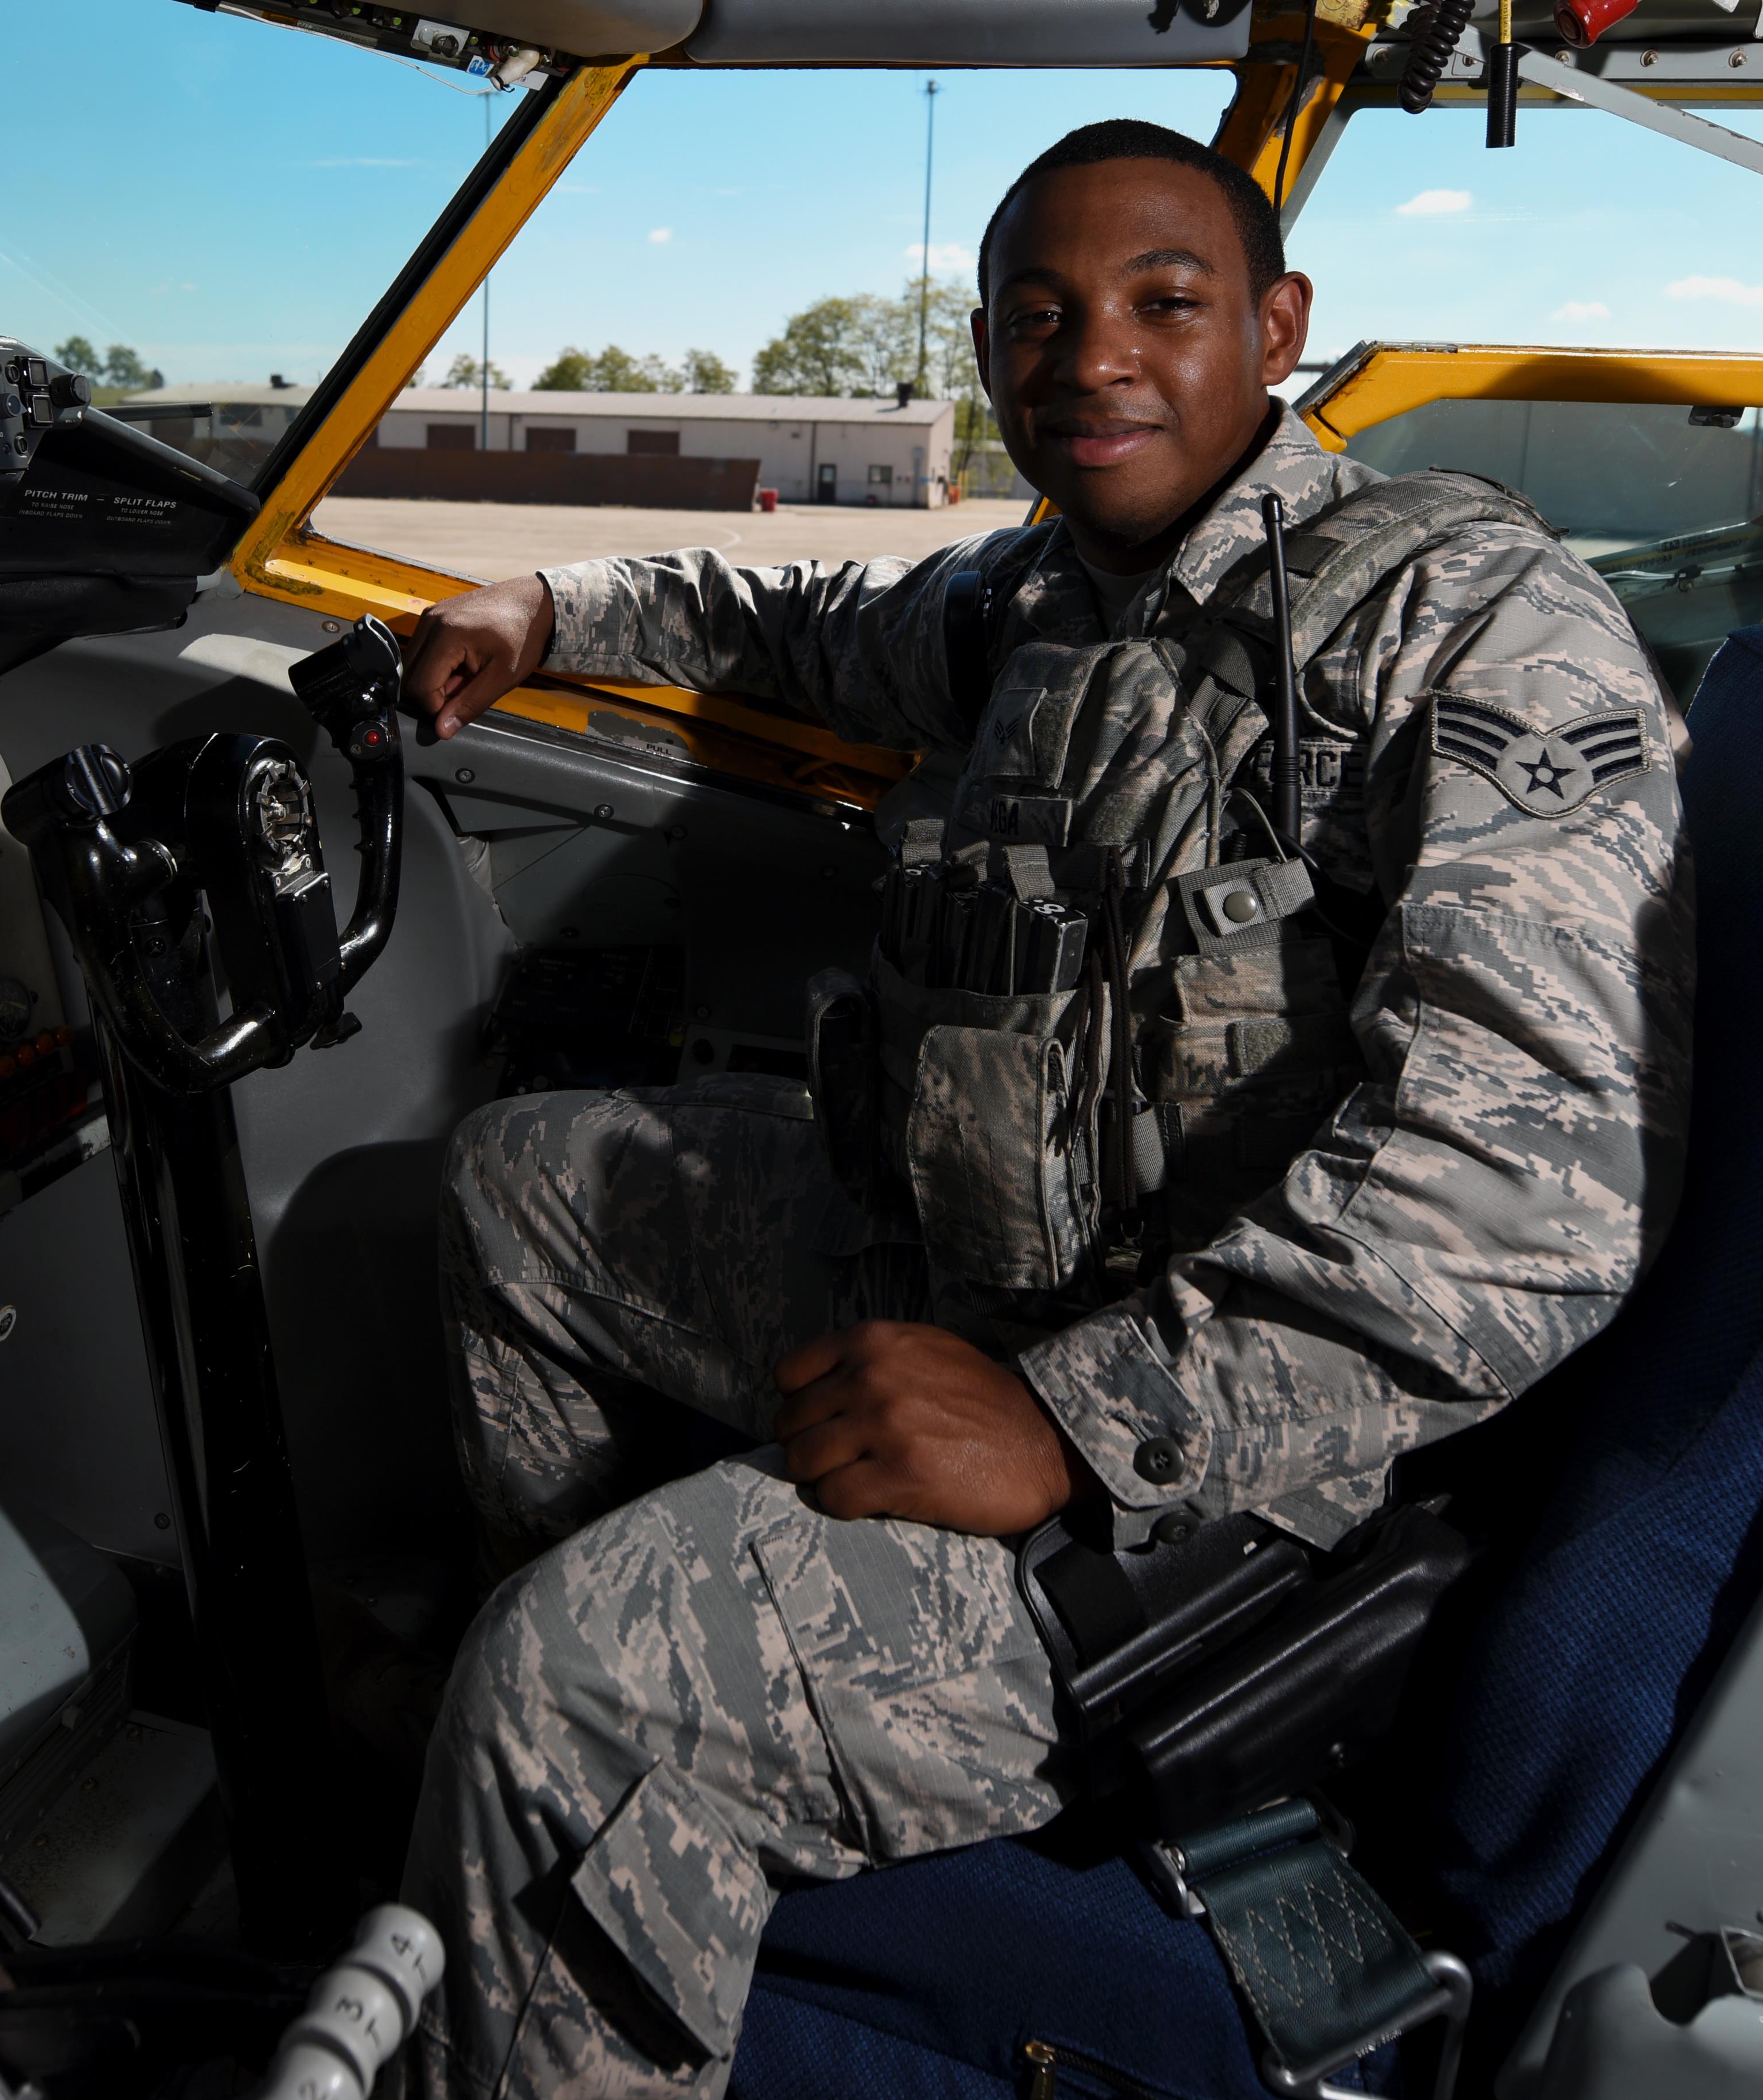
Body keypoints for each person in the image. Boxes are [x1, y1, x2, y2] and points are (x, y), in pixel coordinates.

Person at [395, 118, 1693, 2099]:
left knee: (561, 1675)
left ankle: (591, 1751)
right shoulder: (1046, 604)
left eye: (1162, 305)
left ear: (1277, 330)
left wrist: (1074, 1420)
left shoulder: (1457, 617)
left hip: (1256, 1473)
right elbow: (798, 620)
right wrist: (550, 611)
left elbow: (1522, 1200)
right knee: (518, 1186)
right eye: (1035, 314)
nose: (1087, 358)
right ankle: (601, 1851)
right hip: (996, 1283)